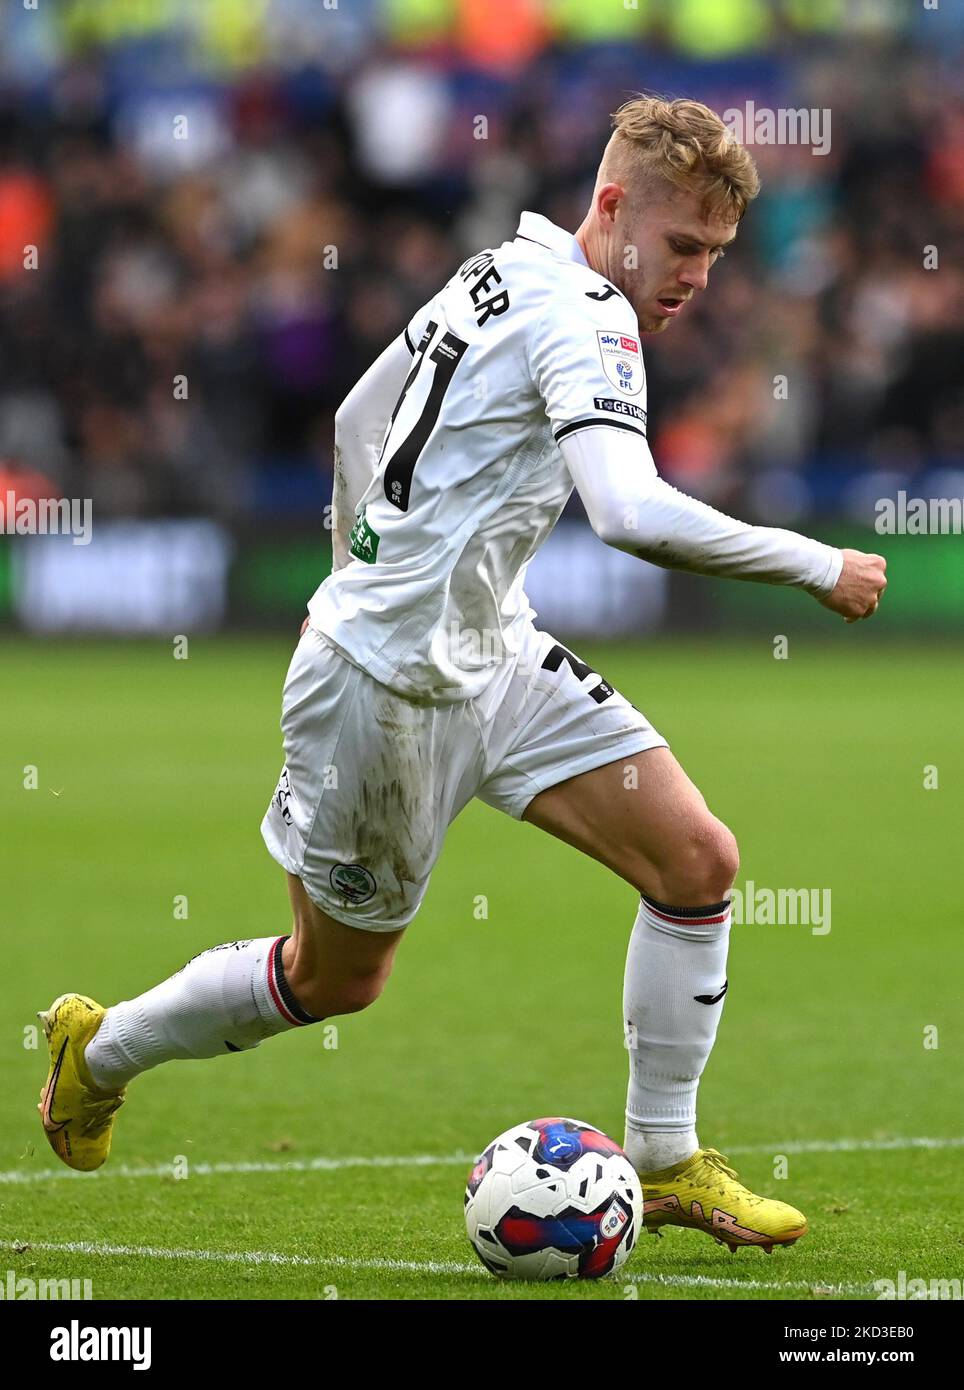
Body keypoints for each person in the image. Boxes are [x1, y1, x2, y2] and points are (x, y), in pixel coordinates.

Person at [38, 96, 886, 1253]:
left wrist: (377, 565)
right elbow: (627, 512)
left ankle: (667, 1156)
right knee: (334, 980)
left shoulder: (502, 264)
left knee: (697, 860)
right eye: (682, 246)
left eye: (716, 256)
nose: (696, 277)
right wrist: (815, 564)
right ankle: (102, 1048)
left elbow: (355, 417)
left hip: (497, 653)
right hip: (381, 694)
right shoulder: (588, 315)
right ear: (611, 208)